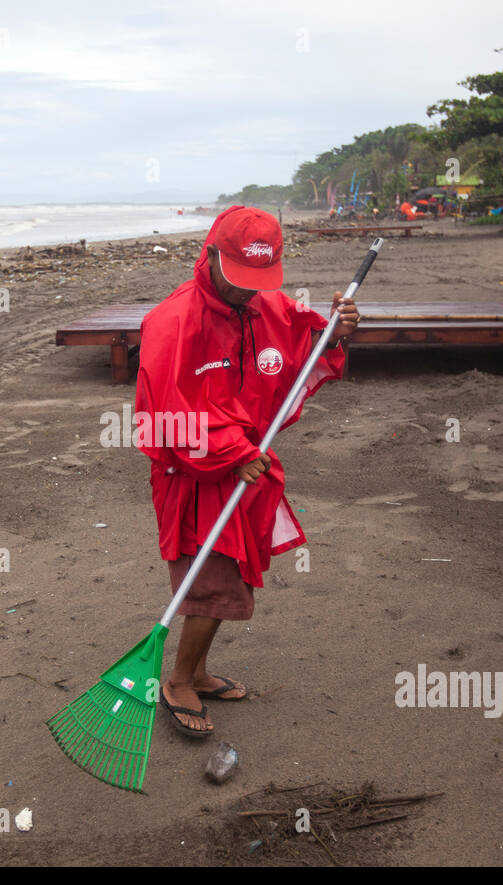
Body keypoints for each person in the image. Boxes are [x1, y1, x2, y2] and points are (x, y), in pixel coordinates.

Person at [134, 206, 361, 736]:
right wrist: (232, 451)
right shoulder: (171, 322)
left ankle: (198, 670)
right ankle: (178, 682)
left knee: (230, 573)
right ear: (211, 253)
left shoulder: (267, 306)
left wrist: (335, 334)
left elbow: (299, 355)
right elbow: (164, 416)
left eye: (257, 281)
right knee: (211, 582)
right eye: (238, 279)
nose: (246, 292)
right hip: (194, 475)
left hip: (244, 467)